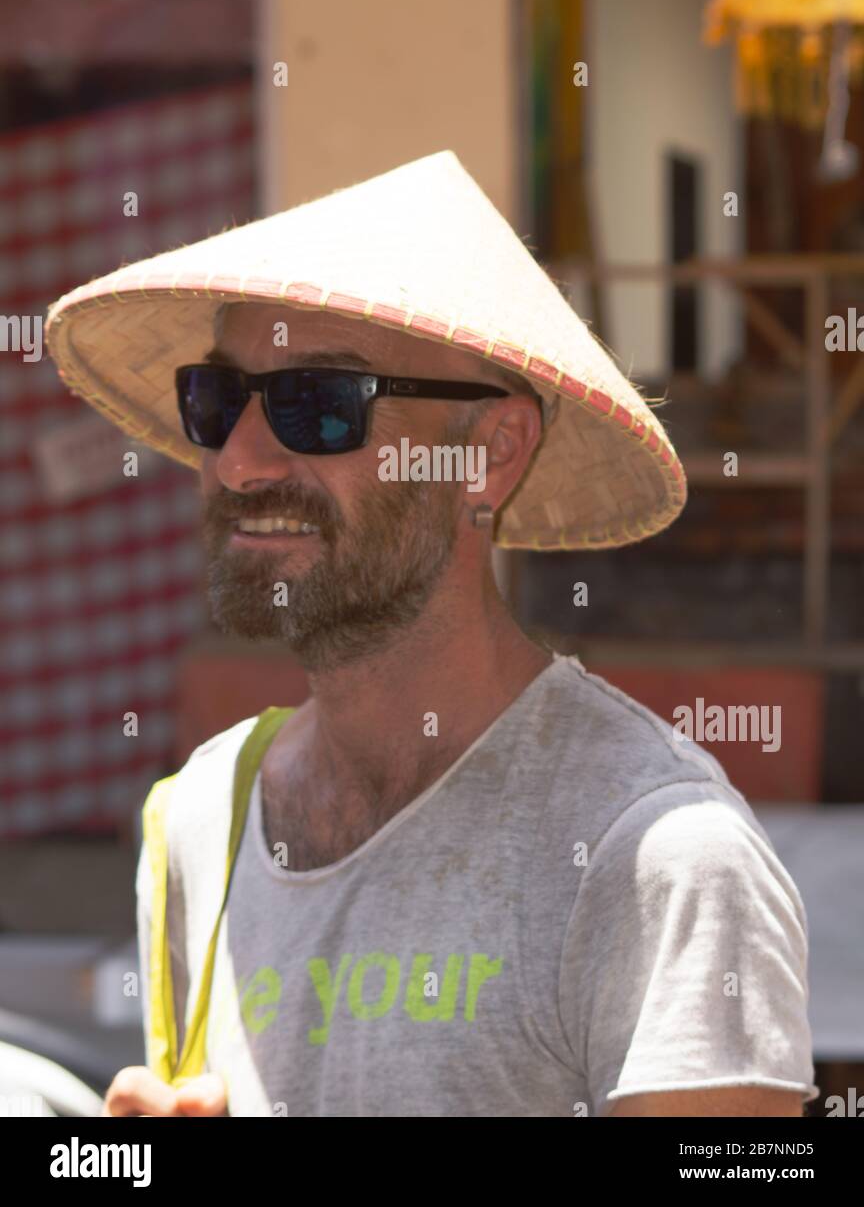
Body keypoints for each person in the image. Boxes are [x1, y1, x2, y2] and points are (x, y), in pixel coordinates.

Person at [45, 151, 817, 1117]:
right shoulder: (206, 818)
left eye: (319, 404)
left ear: (489, 455)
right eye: (218, 398)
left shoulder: (660, 860)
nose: (240, 459)